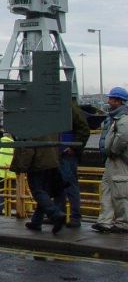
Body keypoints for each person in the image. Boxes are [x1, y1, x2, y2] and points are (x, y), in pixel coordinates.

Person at [11, 134, 66, 234]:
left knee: (38, 192)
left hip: (37, 163)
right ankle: (36, 222)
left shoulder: (30, 125)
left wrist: (21, 167)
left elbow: (28, 148)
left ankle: (55, 213)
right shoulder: (50, 122)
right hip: (52, 161)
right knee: (44, 193)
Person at [92, 86, 128, 233]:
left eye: (111, 99)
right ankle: (104, 221)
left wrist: (113, 151)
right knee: (106, 190)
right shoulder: (114, 117)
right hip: (111, 159)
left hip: (119, 160)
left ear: (119, 101)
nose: (108, 101)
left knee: (120, 192)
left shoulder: (123, 118)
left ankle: (123, 223)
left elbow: (123, 138)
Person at [53, 99, 91, 228]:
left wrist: (73, 148)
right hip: (59, 151)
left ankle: (74, 217)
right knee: (58, 185)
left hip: (66, 153)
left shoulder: (69, 108)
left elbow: (84, 129)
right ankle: (60, 215)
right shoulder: (64, 107)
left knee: (70, 185)